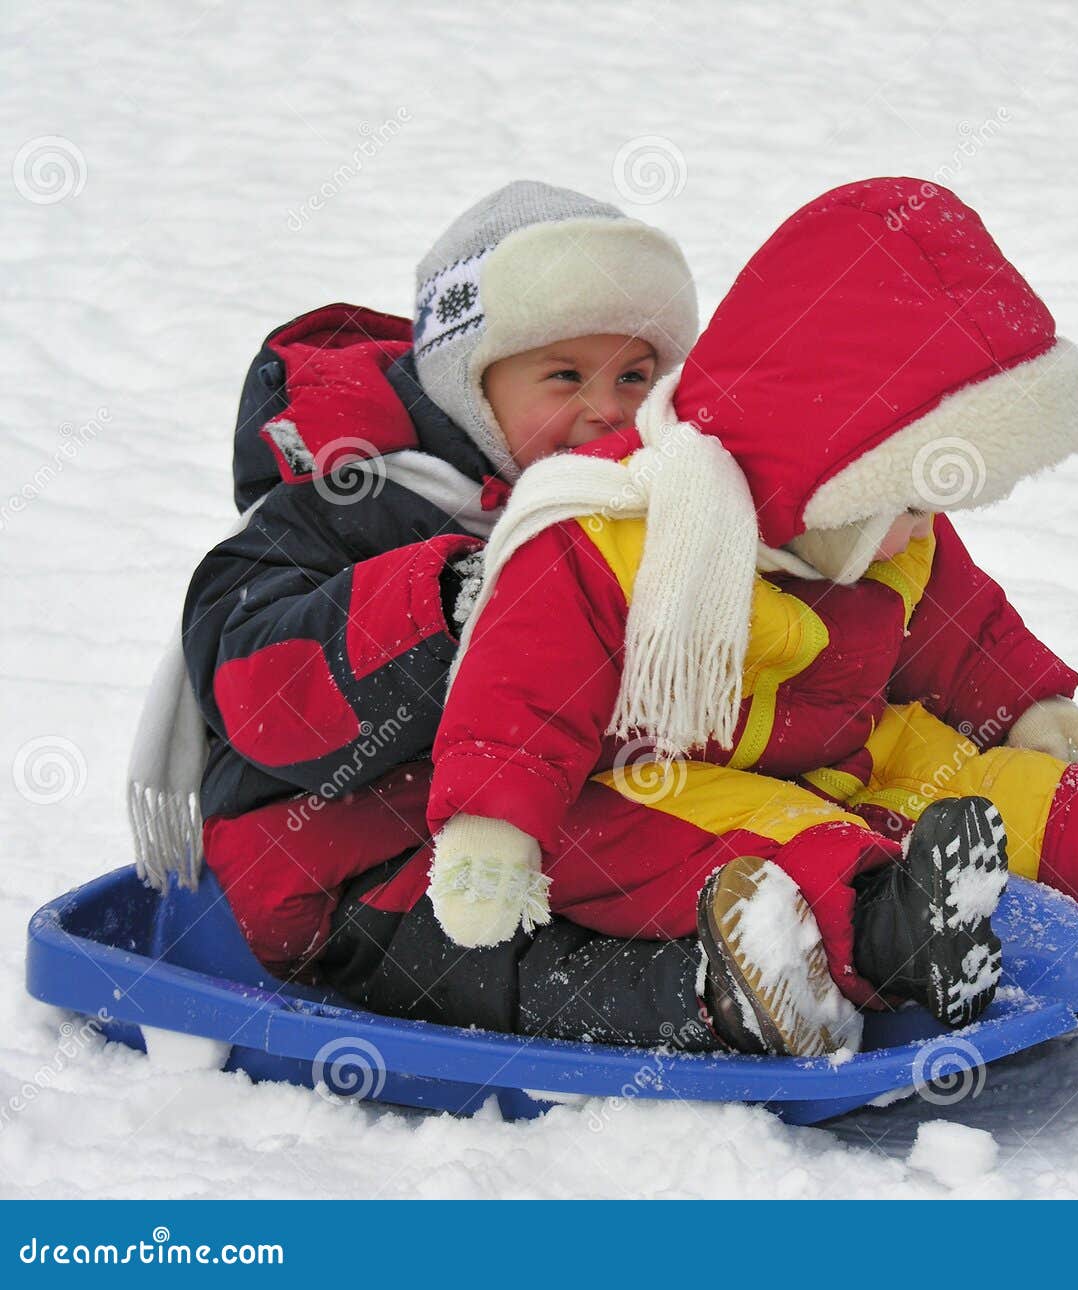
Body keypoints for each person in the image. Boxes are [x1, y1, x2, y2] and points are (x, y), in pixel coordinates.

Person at [422, 177, 1078, 1058]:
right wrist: (492, 826)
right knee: (776, 839)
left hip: (831, 752)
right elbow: (520, 690)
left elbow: (961, 630)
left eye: (634, 374)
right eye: (913, 503)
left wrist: (1028, 705)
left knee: (945, 766)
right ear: (828, 470)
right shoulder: (606, 528)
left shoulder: (879, 526)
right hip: (650, 782)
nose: (925, 527)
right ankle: (900, 932)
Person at [135, 181, 856, 1055]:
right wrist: (457, 603)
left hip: (532, 810)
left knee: (647, 830)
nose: (608, 408)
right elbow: (262, 694)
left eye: (634, 377)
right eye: (565, 376)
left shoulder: (622, 509)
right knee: (492, 937)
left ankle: (846, 918)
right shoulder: (350, 500)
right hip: (336, 853)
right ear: (470, 388)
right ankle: (711, 997)